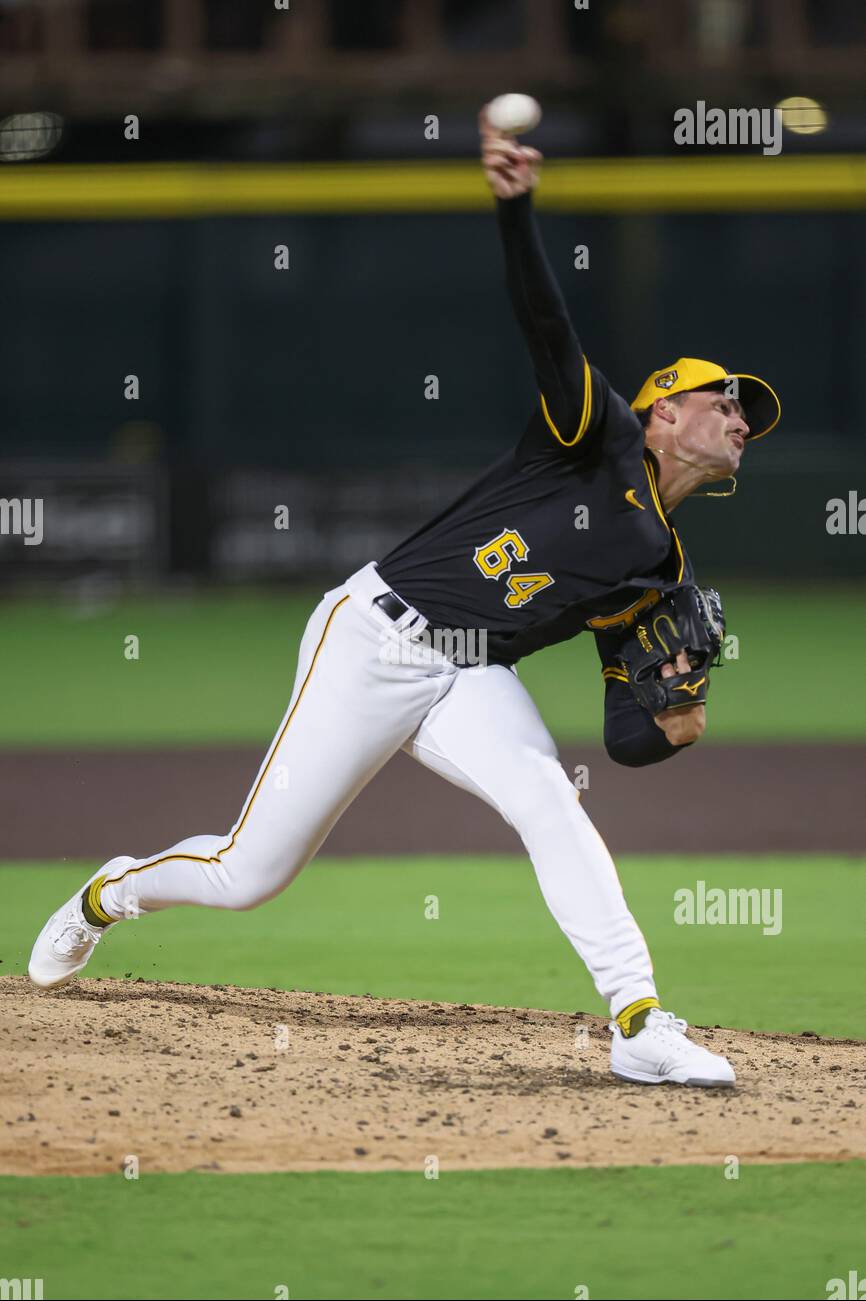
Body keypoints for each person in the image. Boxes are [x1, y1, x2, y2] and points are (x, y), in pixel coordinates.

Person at [29, 108, 780, 1087]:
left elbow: (622, 732)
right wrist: (516, 209)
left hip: (470, 674)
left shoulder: (661, 567)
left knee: (553, 801)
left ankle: (636, 1020)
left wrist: (679, 712)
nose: (736, 418)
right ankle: (108, 894)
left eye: (745, 413)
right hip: (375, 638)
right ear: (662, 410)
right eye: (722, 399)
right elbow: (545, 326)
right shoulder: (593, 436)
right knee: (249, 873)